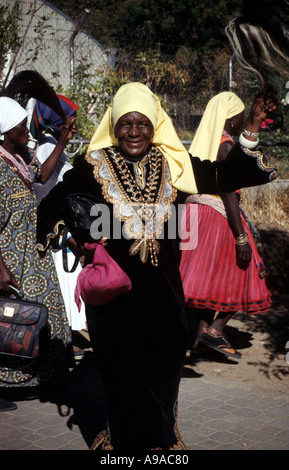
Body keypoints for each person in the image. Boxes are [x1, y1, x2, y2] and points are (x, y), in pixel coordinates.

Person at [36, 82, 277, 449]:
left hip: (165, 298)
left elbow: (227, 176)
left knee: (164, 376)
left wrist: (252, 128)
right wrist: (79, 241)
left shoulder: (174, 164)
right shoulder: (94, 164)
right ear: (114, 125)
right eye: (125, 123)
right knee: (121, 380)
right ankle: (121, 444)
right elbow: (53, 203)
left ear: (154, 124)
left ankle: (164, 440)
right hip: (114, 302)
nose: (134, 131)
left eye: (142, 123)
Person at [180, 92, 272, 359]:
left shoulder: (206, 143)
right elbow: (229, 190)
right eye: (241, 114)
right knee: (246, 271)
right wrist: (241, 237)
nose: (243, 118)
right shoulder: (225, 146)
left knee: (204, 279)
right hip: (218, 218)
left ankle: (196, 336)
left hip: (195, 215)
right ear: (231, 118)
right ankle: (215, 329)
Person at [0, 96, 76, 412]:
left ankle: (42, 379)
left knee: (41, 319)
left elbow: (43, 175)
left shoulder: (20, 156)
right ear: (5, 130)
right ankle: (4, 385)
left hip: (34, 256)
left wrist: (62, 140)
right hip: (9, 259)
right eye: (19, 123)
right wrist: (0, 269)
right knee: (10, 324)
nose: (25, 128)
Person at [31, 96, 87, 334]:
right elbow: (49, 180)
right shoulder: (47, 146)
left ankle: (68, 334)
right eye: (70, 118)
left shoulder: (53, 145)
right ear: (57, 120)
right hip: (53, 226)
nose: (75, 123)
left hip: (61, 223)